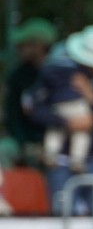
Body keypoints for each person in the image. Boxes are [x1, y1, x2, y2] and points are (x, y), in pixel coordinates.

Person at [26, 24, 93, 176]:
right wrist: (66, 122)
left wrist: (92, 97)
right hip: (60, 162)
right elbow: (33, 108)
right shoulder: (58, 74)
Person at [3, 17, 56, 166]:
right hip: (23, 141)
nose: (19, 49)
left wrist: (44, 144)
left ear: (38, 46)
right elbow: (12, 116)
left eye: (23, 45)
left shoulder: (58, 74)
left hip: (55, 141)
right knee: (4, 150)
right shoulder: (18, 76)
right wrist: (24, 143)